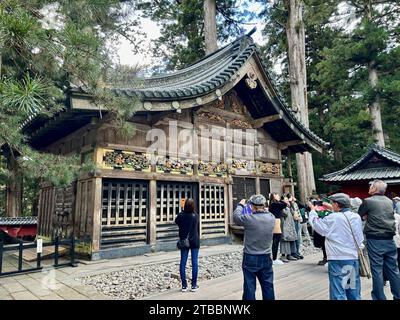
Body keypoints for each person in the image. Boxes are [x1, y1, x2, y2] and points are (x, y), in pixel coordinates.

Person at [308, 193, 364, 300]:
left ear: (337, 204)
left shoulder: (332, 217)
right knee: (352, 289)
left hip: (337, 258)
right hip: (352, 258)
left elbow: (317, 225)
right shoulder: (356, 217)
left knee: (338, 291)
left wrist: (312, 211)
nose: (331, 205)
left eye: (333, 203)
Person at [358, 180, 400, 300]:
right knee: (393, 269)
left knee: (377, 269)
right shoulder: (389, 201)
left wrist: (368, 216)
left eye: (371, 186)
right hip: (389, 239)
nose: (369, 188)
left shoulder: (368, 201)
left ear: (375, 189)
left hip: (375, 239)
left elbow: (359, 216)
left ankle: (379, 297)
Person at [233, 195, 276, 300]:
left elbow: (236, 216)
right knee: (268, 286)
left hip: (250, 256)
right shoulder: (271, 217)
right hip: (266, 255)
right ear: (264, 205)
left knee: (249, 287)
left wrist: (240, 205)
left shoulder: (249, 219)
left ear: (252, 206)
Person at [175, 198, 200, 292]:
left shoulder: (181, 216)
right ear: (193, 206)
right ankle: (194, 285)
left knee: (183, 263)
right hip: (194, 241)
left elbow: (176, 222)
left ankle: (184, 286)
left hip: (184, 241)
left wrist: (182, 211)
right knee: (194, 263)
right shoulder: (195, 215)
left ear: (185, 205)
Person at [268, 193, 287, 265]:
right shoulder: (275, 203)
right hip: (275, 222)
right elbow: (284, 204)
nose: (278, 195)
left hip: (275, 222)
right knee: (276, 241)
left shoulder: (273, 203)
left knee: (275, 241)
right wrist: (280, 200)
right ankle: (274, 259)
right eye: (277, 195)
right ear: (274, 196)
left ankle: (274, 258)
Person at [280, 195, 298, 262]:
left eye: (287, 200)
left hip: (290, 225)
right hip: (284, 225)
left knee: (291, 239)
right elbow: (284, 214)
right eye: (286, 200)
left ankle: (289, 254)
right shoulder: (282, 207)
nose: (287, 201)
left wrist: (291, 205)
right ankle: (283, 255)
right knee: (285, 240)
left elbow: (294, 214)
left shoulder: (289, 207)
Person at [288, 194, 304, 259]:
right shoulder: (288, 205)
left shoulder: (295, 203)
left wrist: (296, 200)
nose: (293, 198)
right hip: (293, 221)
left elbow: (302, 205)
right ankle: (294, 252)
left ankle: (297, 252)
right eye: (292, 197)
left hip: (298, 221)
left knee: (298, 238)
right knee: (295, 237)